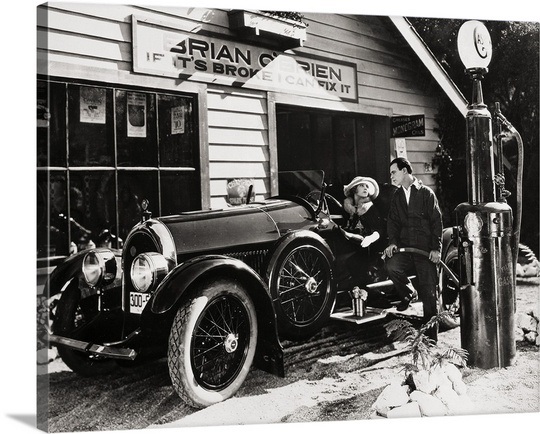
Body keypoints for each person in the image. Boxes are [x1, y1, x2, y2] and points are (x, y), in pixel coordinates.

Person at [383, 157, 443, 342]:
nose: (391, 176)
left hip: (425, 252)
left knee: (429, 295)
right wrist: (392, 242)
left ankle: (431, 339)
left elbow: (437, 222)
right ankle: (409, 293)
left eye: (394, 172)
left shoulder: (426, 194)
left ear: (404, 171)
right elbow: (392, 222)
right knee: (391, 265)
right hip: (406, 250)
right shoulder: (397, 196)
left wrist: (436, 249)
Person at [339, 176, 386, 286]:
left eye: (367, 186)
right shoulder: (347, 208)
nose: (366, 188)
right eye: (362, 185)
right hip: (348, 244)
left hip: (366, 246)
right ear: (354, 189)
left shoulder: (370, 208)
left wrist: (370, 238)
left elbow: (379, 230)